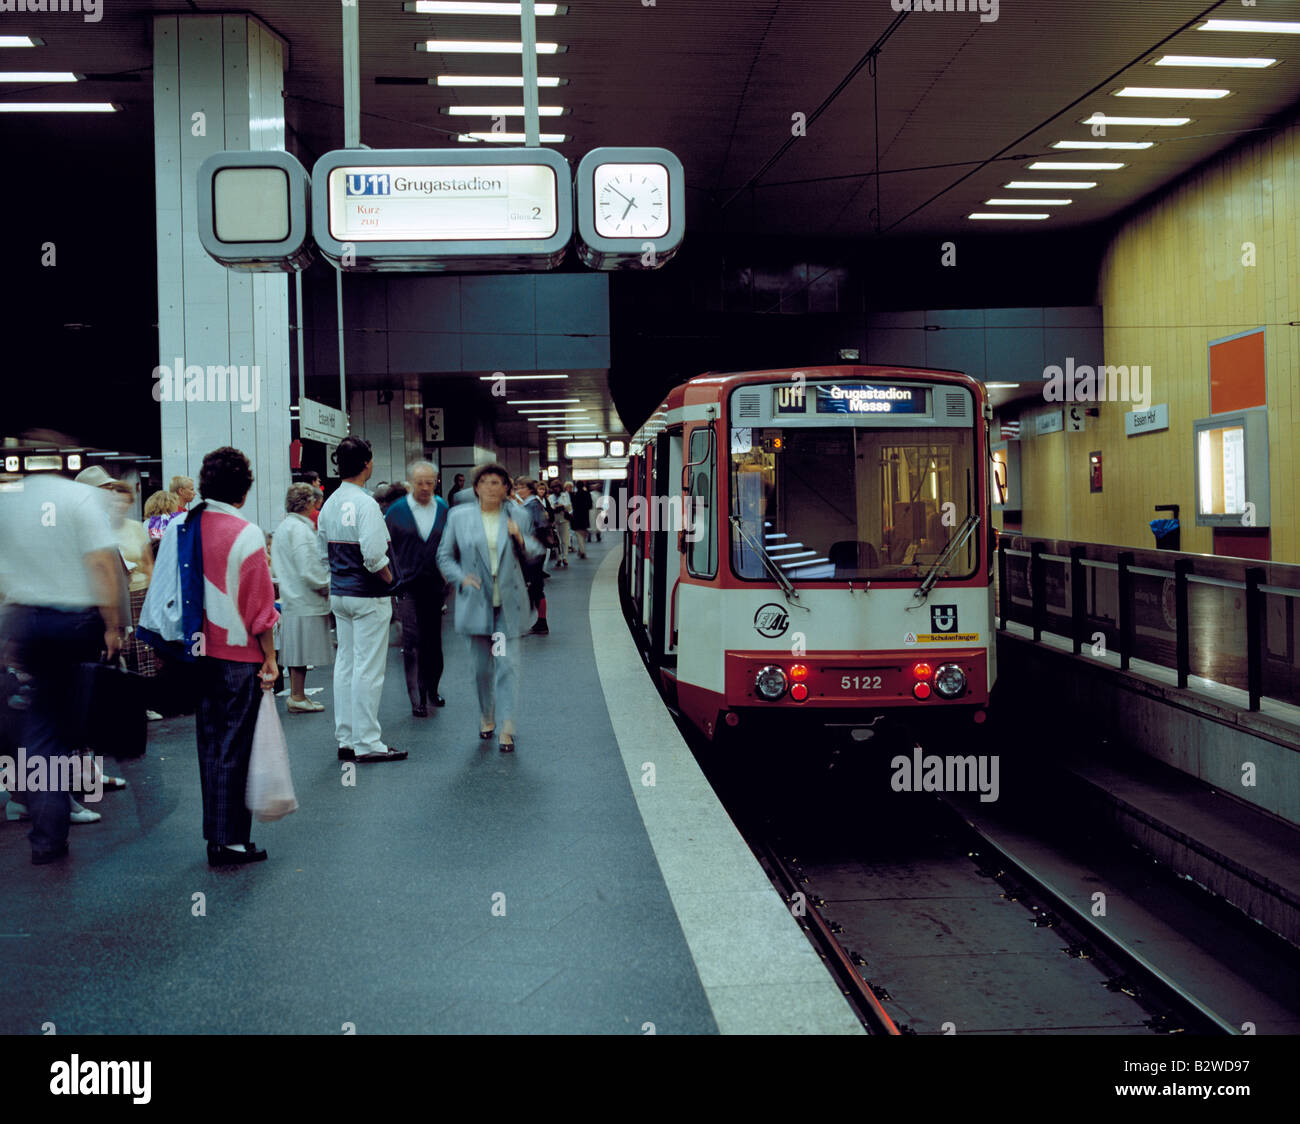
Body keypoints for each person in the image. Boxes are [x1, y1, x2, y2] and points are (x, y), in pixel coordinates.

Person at [0, 466, 125, 862]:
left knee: (41, 725)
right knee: (64, 722)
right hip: (71, 621)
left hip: (25, 618)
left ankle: (45, 830)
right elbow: (101, 564)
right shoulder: (78, 499)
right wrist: (112, 624)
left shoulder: (11, 501)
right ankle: (61, 812)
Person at [175, 447, 280, 866]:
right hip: (239, 655)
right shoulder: (246, 532)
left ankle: (216, 834)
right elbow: (261, 609)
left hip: (199, 651)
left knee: (211, 745)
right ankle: (231, 841)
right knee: (237, 747)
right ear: (243, 490)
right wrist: (270, 658)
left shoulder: (187, 525)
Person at [436, 464, 542, 751]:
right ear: (476, 488)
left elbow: (535, 553)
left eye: (497, 482)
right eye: (485, 482)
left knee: (507, 665)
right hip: (476, 601)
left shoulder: (518, 515)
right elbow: (444, 556)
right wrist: (461, 578)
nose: (491, 487)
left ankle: (507, 725)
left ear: (507, 487)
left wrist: (520, 538)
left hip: (507, 603)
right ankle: (487, 714)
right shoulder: (459, 517)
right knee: (482, 668)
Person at [317, 436, 405, 764]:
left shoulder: (329, 503)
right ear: (367, 464)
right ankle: (368, 741)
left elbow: (321, 552)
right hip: (368, 597)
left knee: (346, 667)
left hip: (340, 594)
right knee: (368, 669)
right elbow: (373, 557)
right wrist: (393, 582)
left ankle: (346, 738)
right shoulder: (367, 504)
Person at [386, 462, 449, 717]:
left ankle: (432, 687)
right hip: (407, 585)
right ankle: (417, 697)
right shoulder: (396, 511)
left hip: (435, 584)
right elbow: (385, 547)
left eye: (430, 482)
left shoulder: (443, 508)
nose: (425, 487)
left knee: (433, 640)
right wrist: (391, 580)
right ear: (410, 482)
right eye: (420, 482)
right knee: (412, 640)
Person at [271, 483, 332, 715]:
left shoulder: (286, 526)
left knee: (298, 651)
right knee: (301, 651)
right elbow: (310, 569)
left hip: (292, 596)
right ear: (308, 503)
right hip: (306, 598)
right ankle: (297, 696)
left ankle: (299, 694)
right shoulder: (301, 530)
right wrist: (328, 584)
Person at [513, 478, 550, 636]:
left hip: (532, 551)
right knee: (535, 587)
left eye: (521, 487)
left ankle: (535, 621)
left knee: (533, 587)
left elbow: (539, 527)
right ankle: (540, 621)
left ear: (529, 489)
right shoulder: (532, 504)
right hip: (533, 551)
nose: (518, 490)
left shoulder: (531, 505)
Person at [545, 479, 572, 568]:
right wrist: (554, 507)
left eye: (557, 487)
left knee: (564, 540)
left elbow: (568, 506)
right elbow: (550, 507)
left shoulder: (565, 495)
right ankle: (558, 558)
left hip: (564, 519)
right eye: (554, 487)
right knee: (557, 540)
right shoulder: (550, 497)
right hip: (555, 520)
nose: (556, 489)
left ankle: (565, 557)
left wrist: (562, 506)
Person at [569, 480, 592, 559]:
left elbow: (572, 506)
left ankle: (582, 550)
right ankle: (582, 550)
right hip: (585, 516)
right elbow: (590, 505)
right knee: (583, 534)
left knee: (579, 534)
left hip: (576, 517)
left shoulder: (574, 495)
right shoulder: (587, 494)